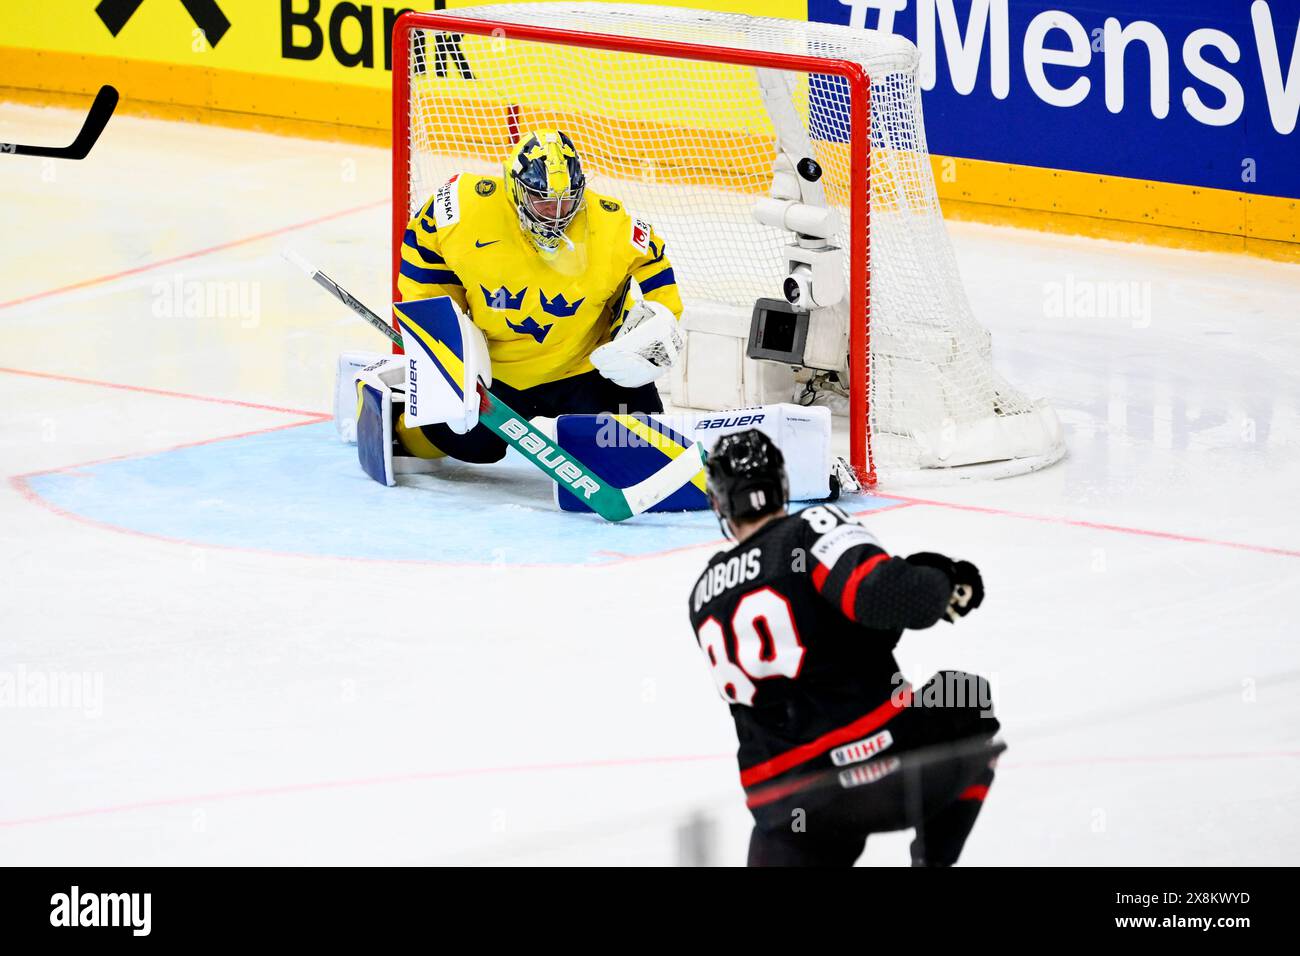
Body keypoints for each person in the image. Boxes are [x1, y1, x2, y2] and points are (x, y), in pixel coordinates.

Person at [687, 428, 1004, 866]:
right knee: (968, 697)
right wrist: (942, 581)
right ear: (781, 485)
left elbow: (828, 645)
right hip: (875, 770)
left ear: (719, 504)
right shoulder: (809, 530)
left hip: (782, 803)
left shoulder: (704, 593)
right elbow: (877, 597)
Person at [394, 128, 683, 463]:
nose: (556, 214)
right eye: (543, 201)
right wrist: (446, 346)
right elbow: (422, 245)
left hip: (585, 369)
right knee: (462, 443)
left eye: (567, 201)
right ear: (515, 189)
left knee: (637, 447)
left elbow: (654, 260)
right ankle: (398, 421)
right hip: (495, 374)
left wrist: (658, 327)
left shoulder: (609, 222)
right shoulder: (465, 206)